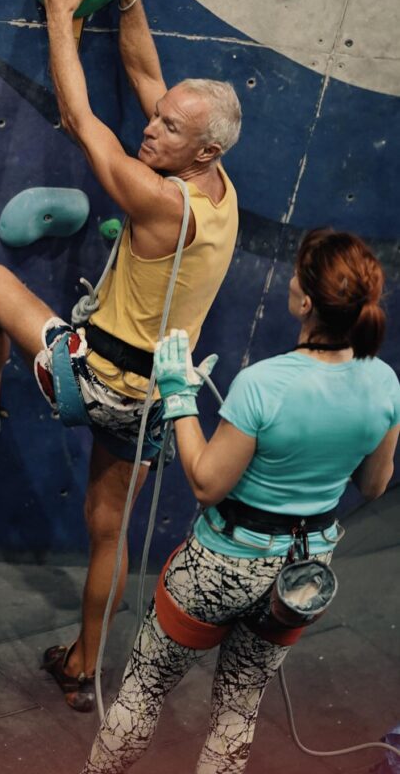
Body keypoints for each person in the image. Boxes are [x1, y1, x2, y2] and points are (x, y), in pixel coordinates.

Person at [0, 0, 241, 710]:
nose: (153, 128)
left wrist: (62, 19)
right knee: (106, 528)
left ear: (198, 148)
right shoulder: (214, 185)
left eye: (169, 130)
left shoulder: (159, 201)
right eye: (160, 120)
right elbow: (144, 77)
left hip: (97, 382)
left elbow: (80, 117)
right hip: (151, 406)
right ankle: (83, 661)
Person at [84, 228, 400, 774]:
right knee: (239, 706)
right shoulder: (386, 383)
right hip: (303, 572)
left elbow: (207, 483)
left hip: (222, 564)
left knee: (143, 689)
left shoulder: (264, 384)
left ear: (305, 300)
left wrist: (179, 394)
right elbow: (373, 486)